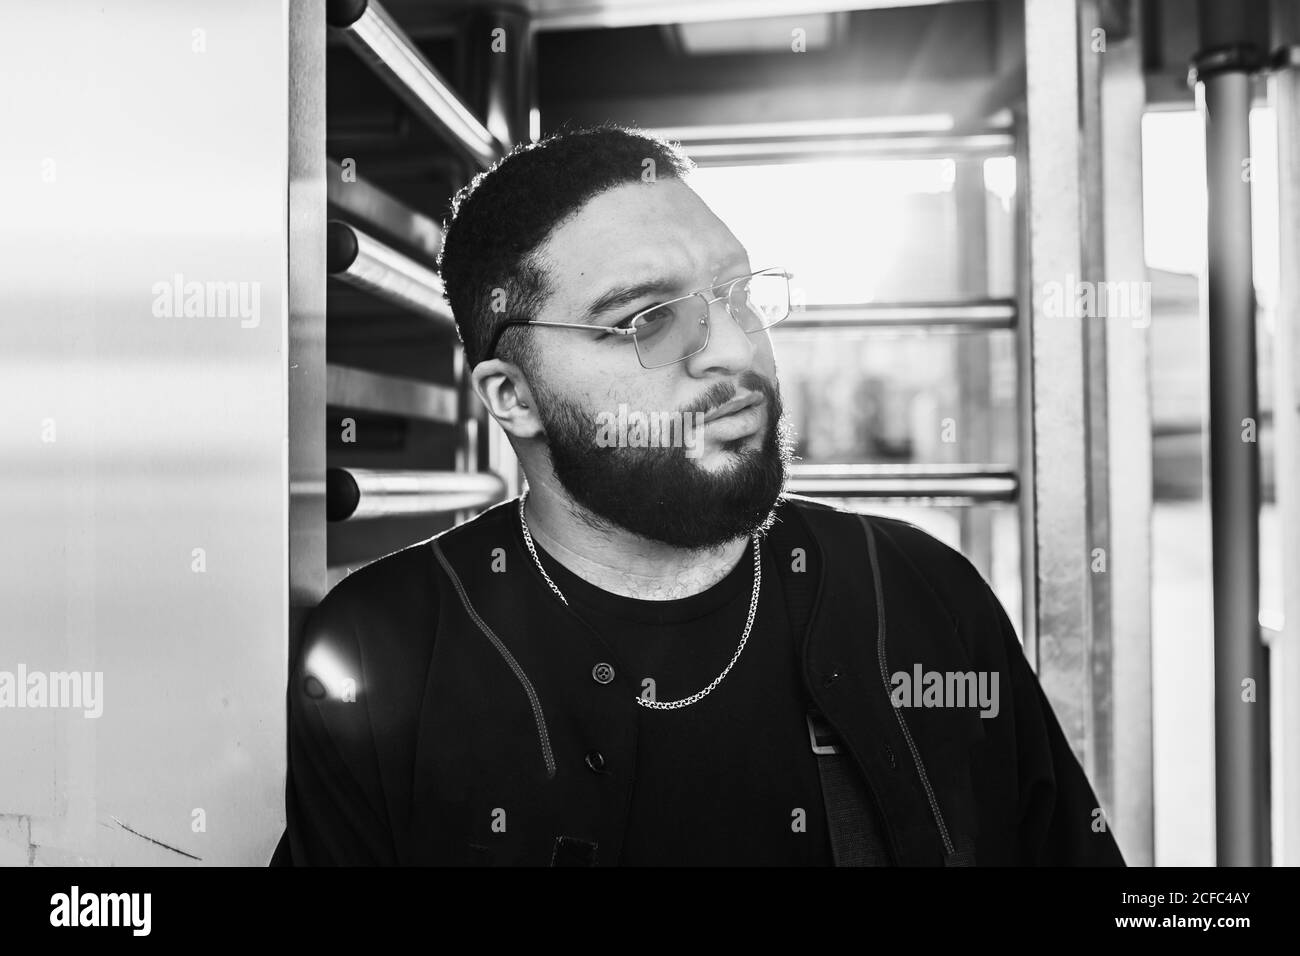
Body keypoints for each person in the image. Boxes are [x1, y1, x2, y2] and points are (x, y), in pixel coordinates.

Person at [272, 124, 1124, 867]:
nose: (732, 350)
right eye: (647, 320)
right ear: (513, 397)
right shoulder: (385, 653)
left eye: (738, 296)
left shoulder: (919, 596)